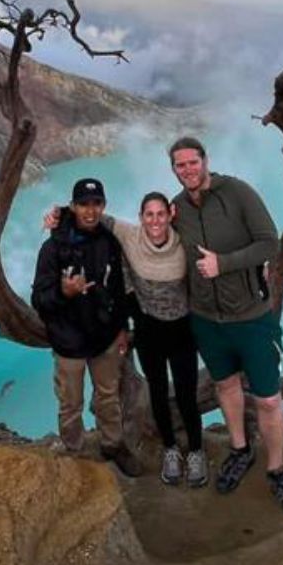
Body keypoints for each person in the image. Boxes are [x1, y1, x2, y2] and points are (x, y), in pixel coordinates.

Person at [168, 136, 283, 514]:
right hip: (206, 320)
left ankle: (277, 470)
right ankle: (240, 449)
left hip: (251, 318)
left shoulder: (238, 193)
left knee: (268, 399)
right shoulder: (178, 208)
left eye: (192, 162)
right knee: (225, 385)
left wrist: (223, 264)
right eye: (180, 165)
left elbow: (270, 243)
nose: (187, 170)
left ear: (205, 160)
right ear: (174, 170)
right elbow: (151, 235)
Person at [46, 192, 206, 487]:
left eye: (160, 214)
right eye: (149, 215)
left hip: (182, 331)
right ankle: (170, 449)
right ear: (141, 217)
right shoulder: (130, 236)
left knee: (186, 393)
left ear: (171, 215)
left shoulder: (185, 242)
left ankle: (196, 450)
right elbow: (94, 216)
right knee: (158, 391)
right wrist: (60, 213)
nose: (155, 221)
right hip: (148, 332)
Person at [30, 177, 139, 477]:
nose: (90, 211)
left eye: (96, 204)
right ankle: (74, 451)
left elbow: (118, 290)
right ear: (73, 206)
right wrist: (64, 292)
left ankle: (112, 445)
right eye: (83, 204)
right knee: (70, 403)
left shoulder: (109, 242)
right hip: (69, 342)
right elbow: (39, 299)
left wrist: (122, 328)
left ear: (103, 206)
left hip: (104, 337)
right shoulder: (53, 248)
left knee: (108, 396)